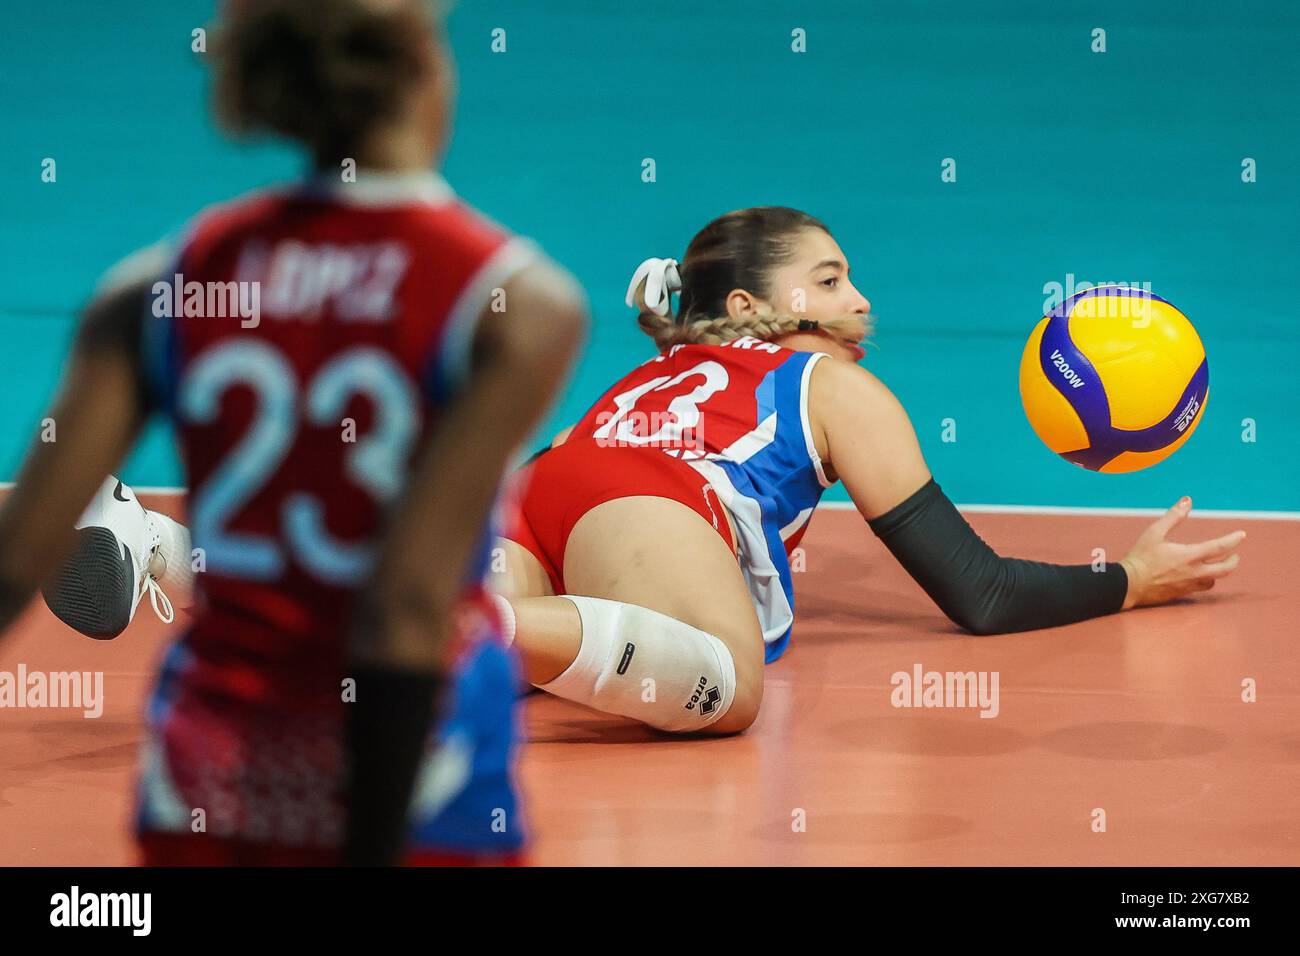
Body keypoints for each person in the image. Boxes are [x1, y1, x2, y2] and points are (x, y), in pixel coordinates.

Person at [0, 0, 585, 865]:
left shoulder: (156, 283)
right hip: (422, 779)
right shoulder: (516, 304)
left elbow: (16, 564)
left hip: (211, 774)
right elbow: (406, 605)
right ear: (426, 71)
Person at [491, 206, 1244, 736]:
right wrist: (1131, 580)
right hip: (644, 501)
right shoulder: (829, 388)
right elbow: (981, 593)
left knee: (465, 674)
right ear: (753, 303)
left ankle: (440, 627)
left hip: (532, 493)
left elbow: (553, 463)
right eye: (828, 282)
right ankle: (485, 623)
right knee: (725, 685)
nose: (859, 300)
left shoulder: (650, 376)